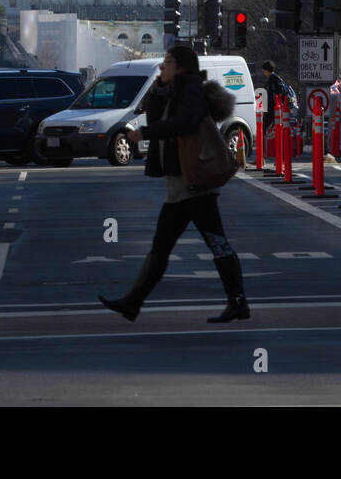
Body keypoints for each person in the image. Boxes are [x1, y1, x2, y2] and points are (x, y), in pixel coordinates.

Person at [100, 45, 250, 323]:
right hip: (181, 185)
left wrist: (145, 132)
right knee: (168, 246)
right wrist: (158, 90)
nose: (162, 66)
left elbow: (186, 123)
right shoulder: (175, 91)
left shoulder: (190, 91)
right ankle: (133, 302)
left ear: (181, 67)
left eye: (167, 62)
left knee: (210, 243)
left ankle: (237, 301)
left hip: (194, 185)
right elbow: (160, 118)